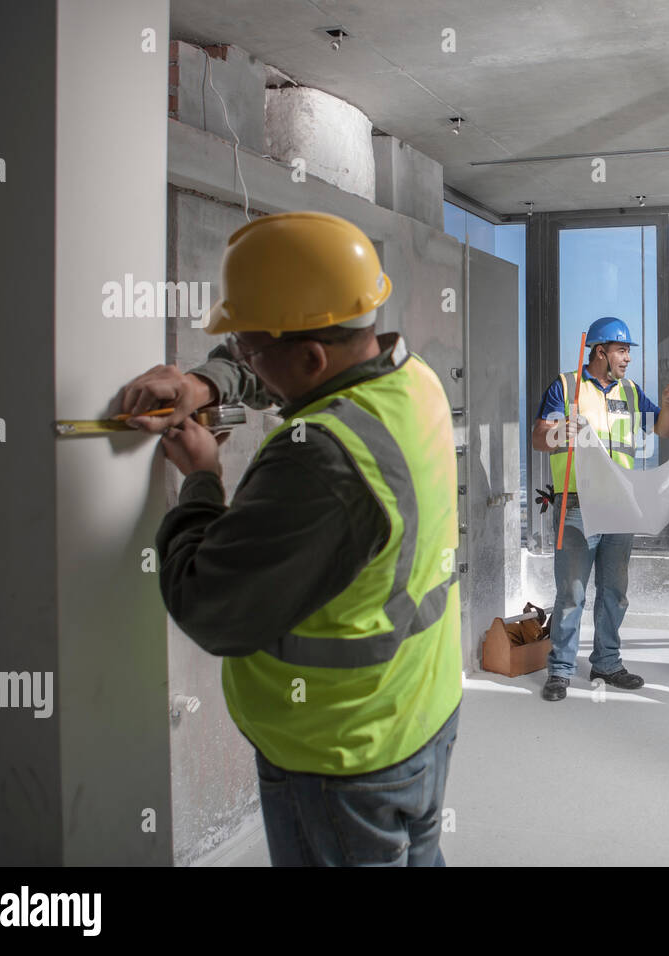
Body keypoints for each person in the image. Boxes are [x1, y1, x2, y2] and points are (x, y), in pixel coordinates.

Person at [117, 211, 462, 865]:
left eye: (249, 351)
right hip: (421, 711)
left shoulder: (320, 457)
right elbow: (288, 358)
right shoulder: (411, 379)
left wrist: (202, 480)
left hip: (340, 753)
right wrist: (205, 382)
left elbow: (210, 606)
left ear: (310, 358)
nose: (245, 361)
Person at [530, 316, 669, 701]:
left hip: (620, 505)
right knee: (571, 593)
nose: (627, 358)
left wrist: (668, 405)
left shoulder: (629, 391)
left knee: (614, 590)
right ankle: (561, 670)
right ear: (600, 351)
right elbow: (537, 439)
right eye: (622, 350)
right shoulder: (565, 387)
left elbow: (663, 430)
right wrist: (554, 432)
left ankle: (607, 663)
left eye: (628, 351)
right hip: (577, 504)